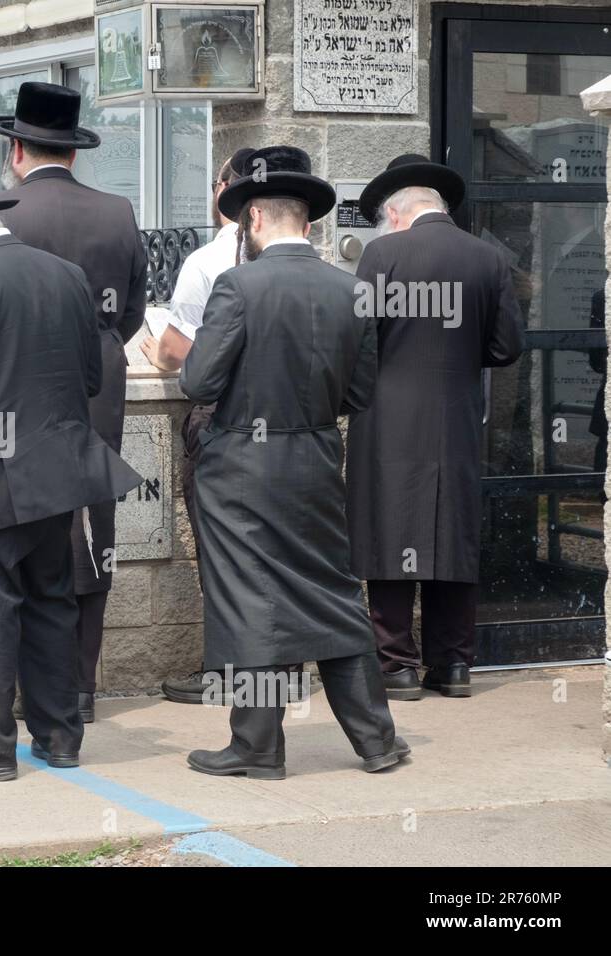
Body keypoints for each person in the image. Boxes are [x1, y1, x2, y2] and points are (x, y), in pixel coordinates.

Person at [180, 145, 409, 779]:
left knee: (249, 601)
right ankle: (376, 740)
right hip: (315, 457)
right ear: (306, 223)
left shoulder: (238, 284)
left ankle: (256, 746)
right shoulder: (353, 289)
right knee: (333, 594)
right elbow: (361, 395)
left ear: (253, 219)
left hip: (239, 469)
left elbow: (199, 381)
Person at [0, 163, 141, 781]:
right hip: (60, 475)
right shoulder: (68, 278)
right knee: (51, 605)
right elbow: (91, 381)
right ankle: (60, 735)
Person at [0, 81, 147, 723]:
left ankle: (30, 687)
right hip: (99, 381)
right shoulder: (117, 212)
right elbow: (132, 310)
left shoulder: (1, 212)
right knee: (92, 529)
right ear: (73, 152)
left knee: (19, 527)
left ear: (18, 149)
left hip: (17, 383)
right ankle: (79, 688)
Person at [347, 155, 524, 699]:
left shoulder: (381, 254)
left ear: (396, 215)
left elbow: (357, 340)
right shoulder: (488, 259)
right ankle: (453, 666)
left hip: (387, 418)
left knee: (390, 532)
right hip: (459, 420)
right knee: (452, 535)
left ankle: (397, 666)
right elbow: (507, 346)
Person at [142, 147, 255, 706]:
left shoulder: (207, 263)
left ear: (224, 191)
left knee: (222, 552)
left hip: (223, 424)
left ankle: (225, 671)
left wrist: (153, 342)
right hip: (298, 432)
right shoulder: (315, 266)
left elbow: (179, 357)